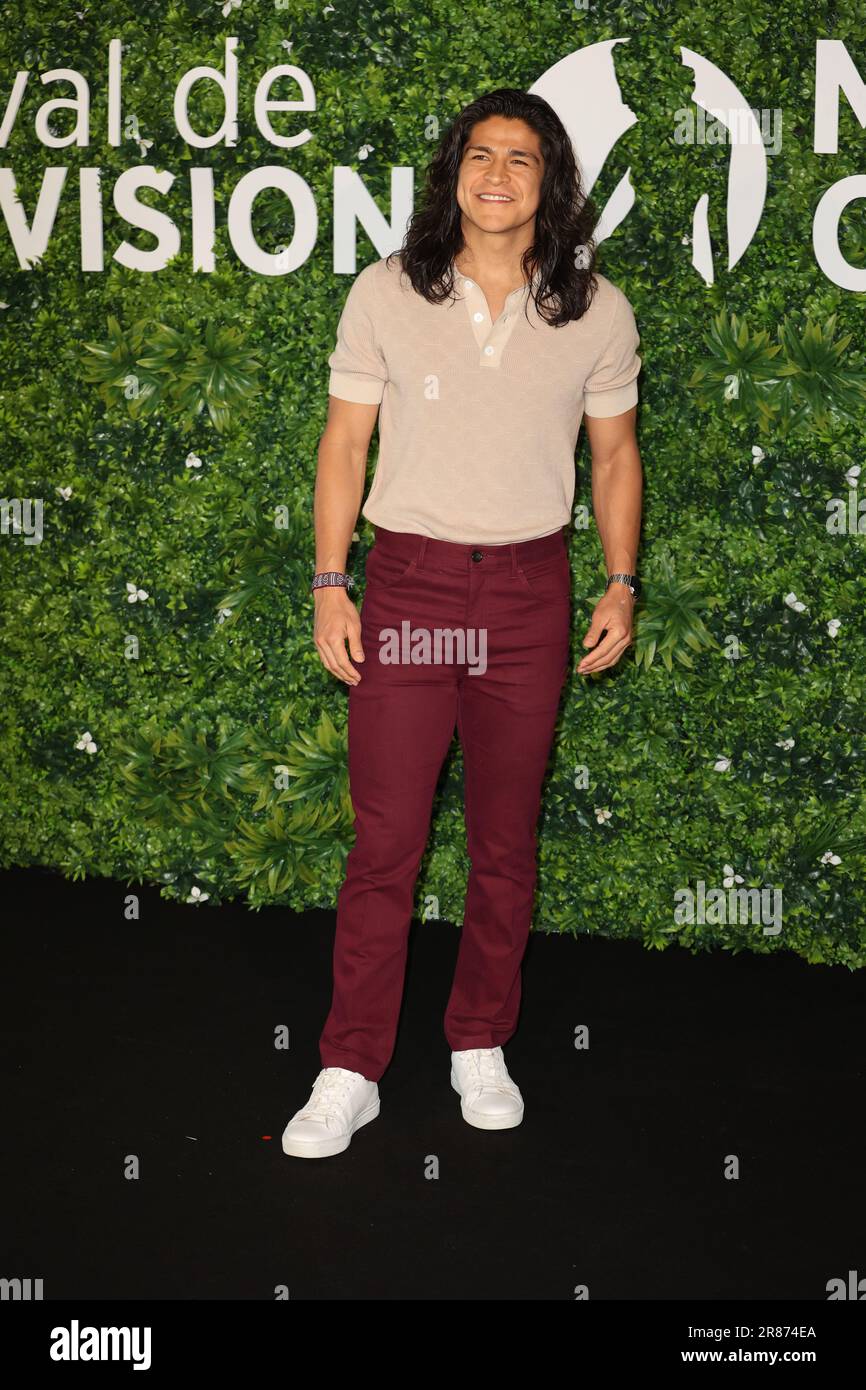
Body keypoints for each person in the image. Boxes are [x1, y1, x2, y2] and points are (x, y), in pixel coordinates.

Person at [282, 87, 643, 1159]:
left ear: (550, 181)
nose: (496, 174)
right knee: (386, 841)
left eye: (520, 159)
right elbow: (344, 445)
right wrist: (328, 581)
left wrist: (619, 582)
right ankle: (350, 1065)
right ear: (452, 173)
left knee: (503, 839)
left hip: (529, 595)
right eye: (478, 155)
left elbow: (615, 457)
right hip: (413, 591)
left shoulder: (597, 308)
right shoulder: (387, 292)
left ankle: (478, 1038)